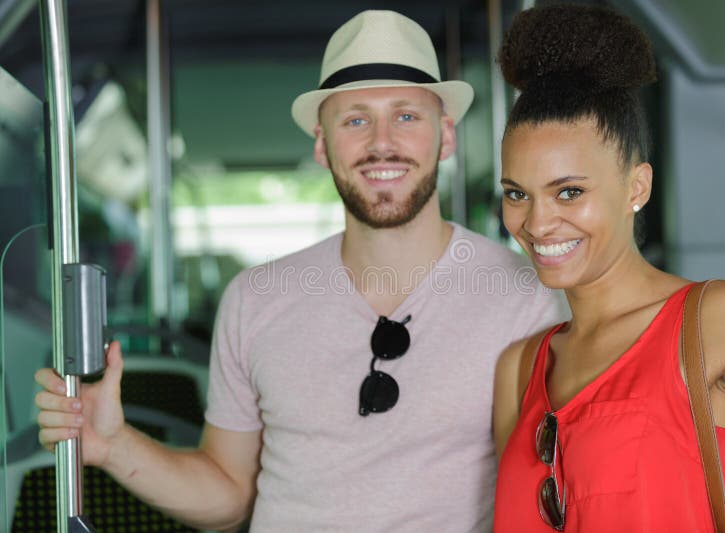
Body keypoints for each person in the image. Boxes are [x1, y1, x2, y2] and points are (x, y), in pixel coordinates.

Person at [35, 10, 568, 533]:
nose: (382, 142)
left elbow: (558, 489)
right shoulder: (254, 300)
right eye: (356, 119)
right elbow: (228, 494)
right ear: (322, 143)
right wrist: (110, 443)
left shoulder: (526, 298)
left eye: (406, 115)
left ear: (446, 137)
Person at [491, 4, 725, 532]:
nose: (538, 223)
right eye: (518, 194)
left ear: (637, 187)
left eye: (570, 192)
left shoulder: (718, 321)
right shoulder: (519, 369)